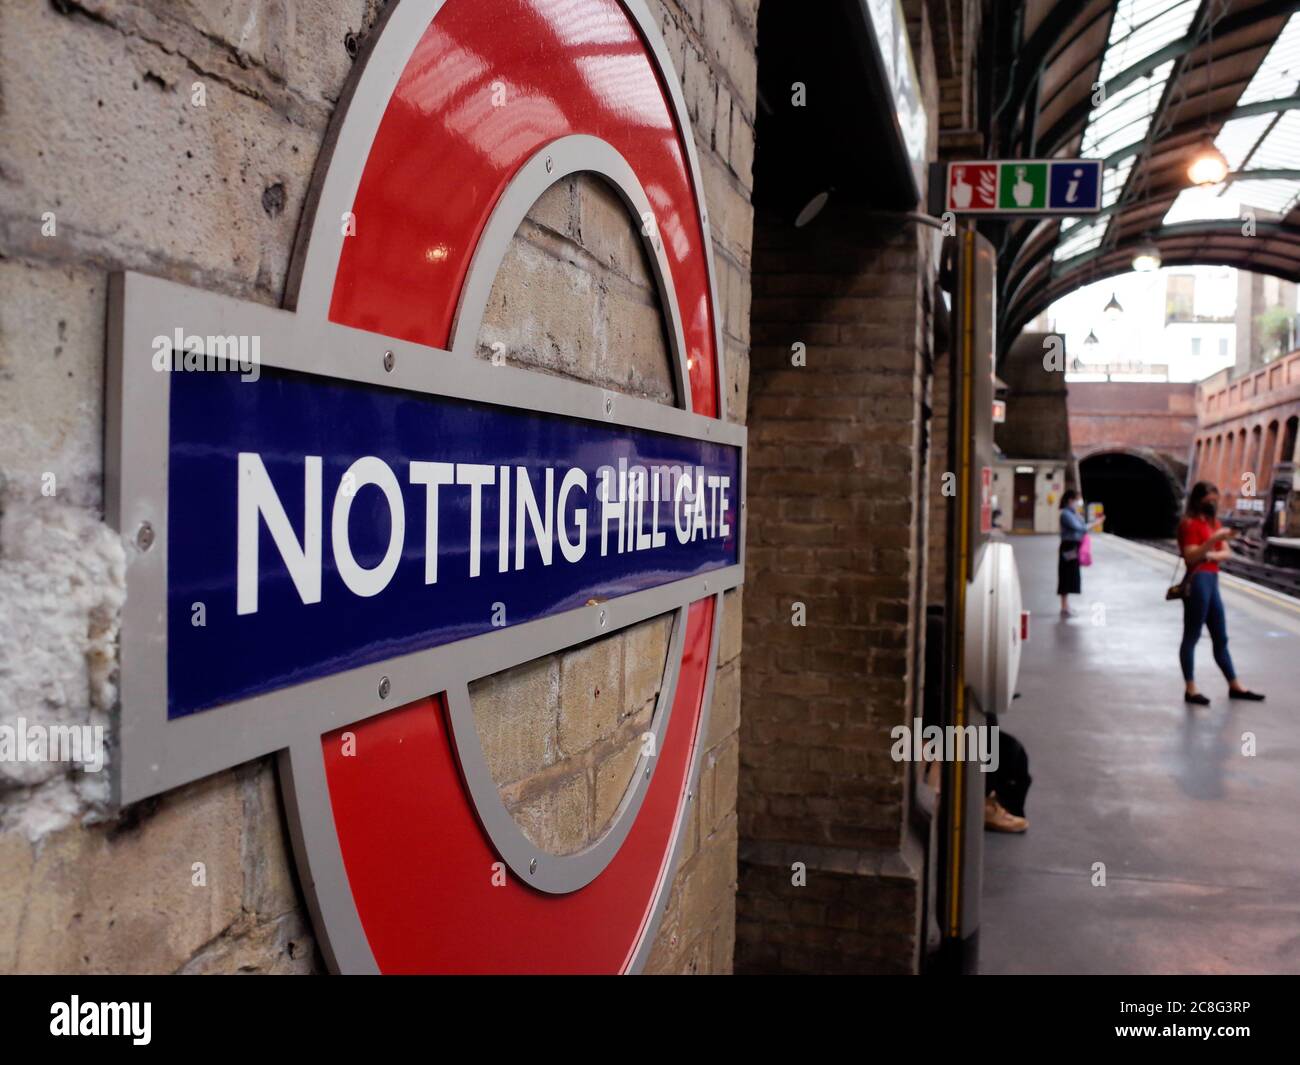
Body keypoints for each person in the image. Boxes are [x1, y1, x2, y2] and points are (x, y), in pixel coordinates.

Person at [1177, 482, 1265, 705]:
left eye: (1216, 499)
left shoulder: (1214, 523)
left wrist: (1211, 553)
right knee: (1192, 636)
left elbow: (1226, 553)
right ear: (1198, 500)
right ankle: (1191, 688)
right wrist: (1213, 542)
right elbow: (1190, 557)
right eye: (1210, 500)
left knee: (1221, 637)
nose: (1214, 503)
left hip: (1212, 580)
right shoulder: (1189, 524)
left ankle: (1234, 685)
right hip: (1197, 581)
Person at [1057, 490, 1102, 617]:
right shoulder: (1065, 514)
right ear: (1070, 500)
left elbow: (1081, 525)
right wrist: (1095, 524)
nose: (1079, 502)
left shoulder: (1073, 513)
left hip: (1073, 547)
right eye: (1077, 499)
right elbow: (1079, 528)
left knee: (1071, 575)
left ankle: (1066, 606)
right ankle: (1064, 606)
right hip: (1068, 547)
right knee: (1065, 575)